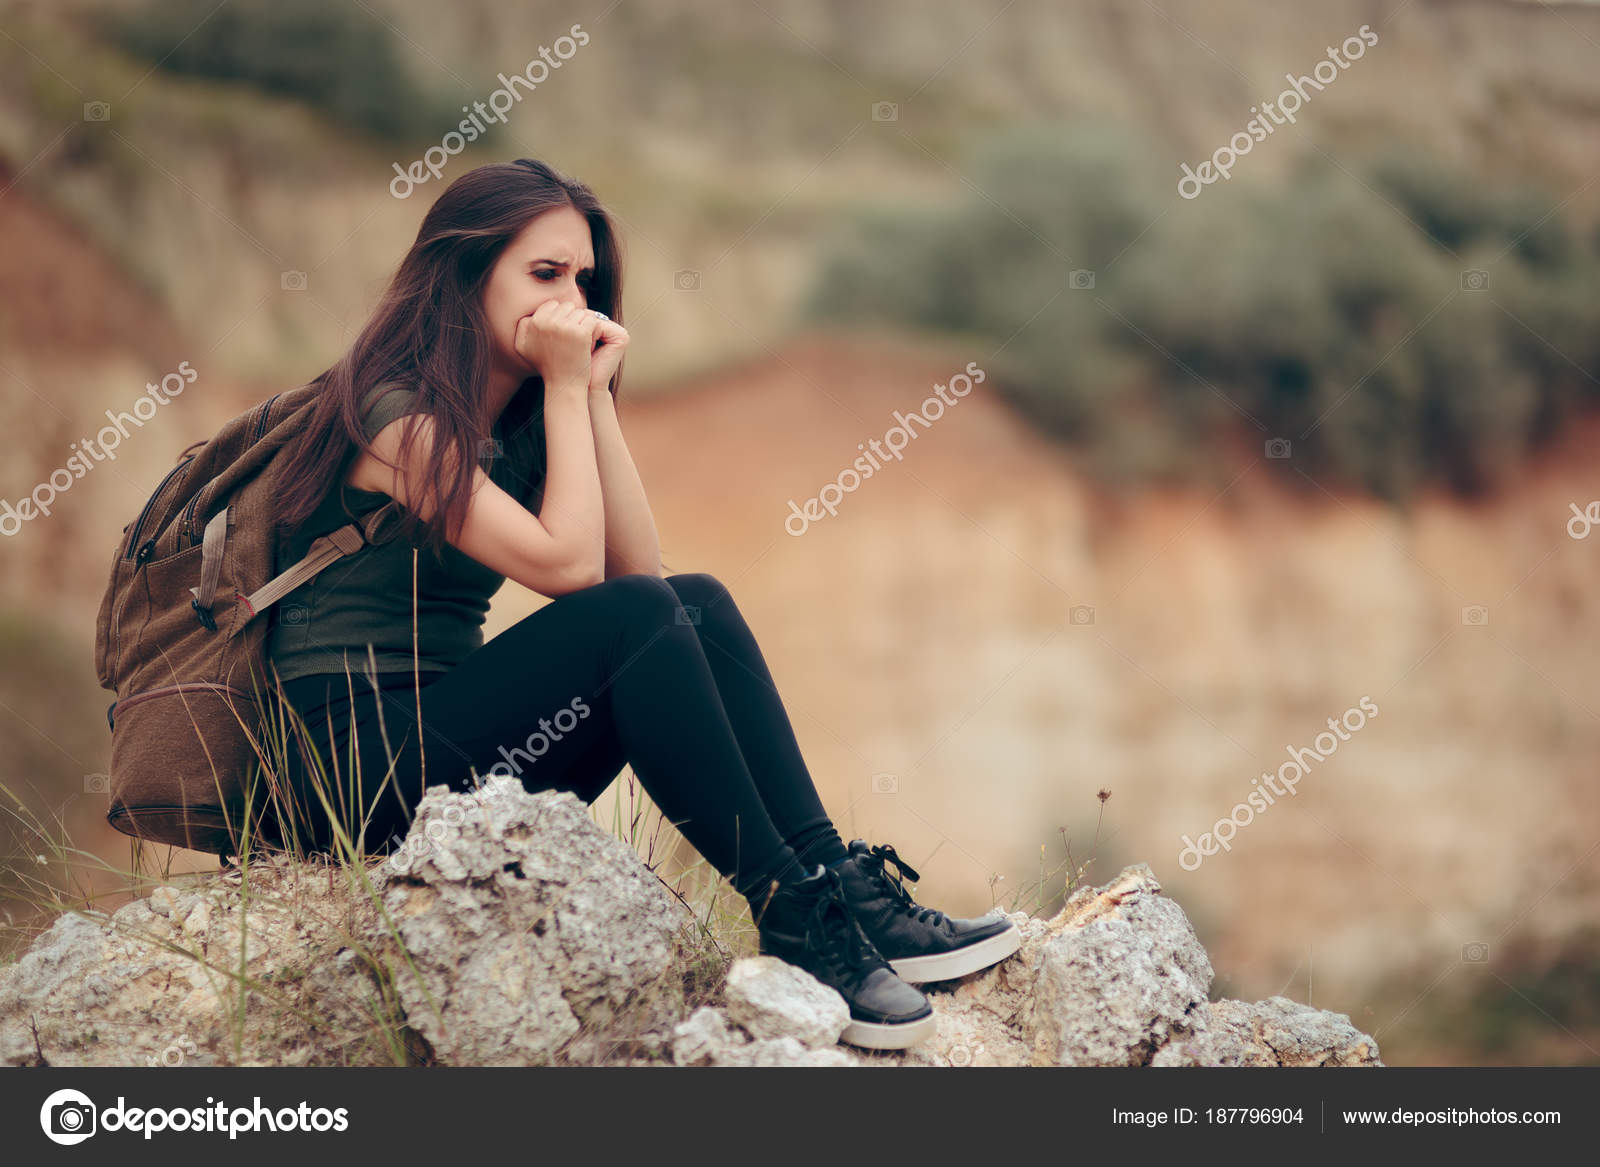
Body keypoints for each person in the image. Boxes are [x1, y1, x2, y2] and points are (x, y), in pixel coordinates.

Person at [263, 158, 1020, 1051]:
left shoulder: (507, 425)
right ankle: (789, 912)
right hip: (345, 770)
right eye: (545, 275)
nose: (574, 301)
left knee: (691, 602)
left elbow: (644, 577)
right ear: (467, 278)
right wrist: (565, 386)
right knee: (637, 618)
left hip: (444, 741)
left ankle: (835, 888)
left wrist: (588, 395)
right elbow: (575, 574)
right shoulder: (392, 416)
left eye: (584, 279)